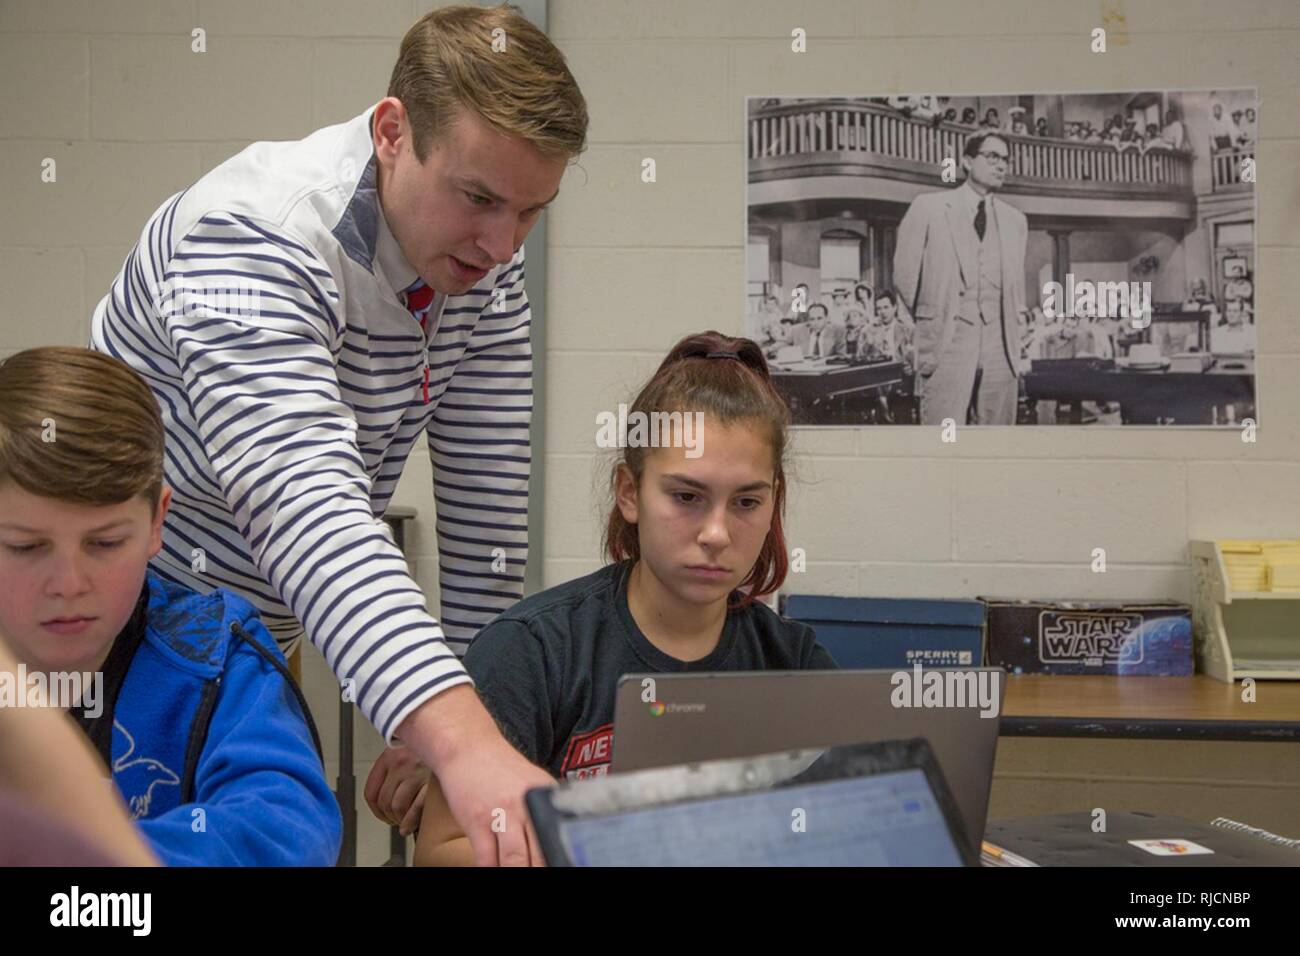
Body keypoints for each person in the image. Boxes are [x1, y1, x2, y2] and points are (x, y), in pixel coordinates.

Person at [87, 5, 588, 865]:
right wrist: (460, 740)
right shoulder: (254, 235)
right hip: (108, 617)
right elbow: (303, 503)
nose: (505, 246)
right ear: (393, 131)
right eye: (479, 198)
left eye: (533, 212)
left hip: (251, 630)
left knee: (272, 834)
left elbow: (488, 531)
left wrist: (453, 717)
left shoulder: (487, 281)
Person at [412, 332, 838, 865]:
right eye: (686, 496)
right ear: (630, 492)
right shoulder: (534, 651)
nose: (716, 533)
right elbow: (439, 852)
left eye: (747, 502)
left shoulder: (793, 662)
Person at [0, 347, 340, 865]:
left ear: (158, 520)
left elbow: (288, 831)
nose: (68, 584)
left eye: (105, 543)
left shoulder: (215, 656)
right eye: (26, 547)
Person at [894, 132, 1028, 425]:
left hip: (1001, 346)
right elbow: (905, 278)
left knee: (996, 444)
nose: (1001, 165)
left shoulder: (1015, 221)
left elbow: (1015, 285)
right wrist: (932, 319)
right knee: (946, 437)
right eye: (992, 157)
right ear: (967, 161)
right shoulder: (928, 208)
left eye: (1005, 159)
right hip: (946, 341)